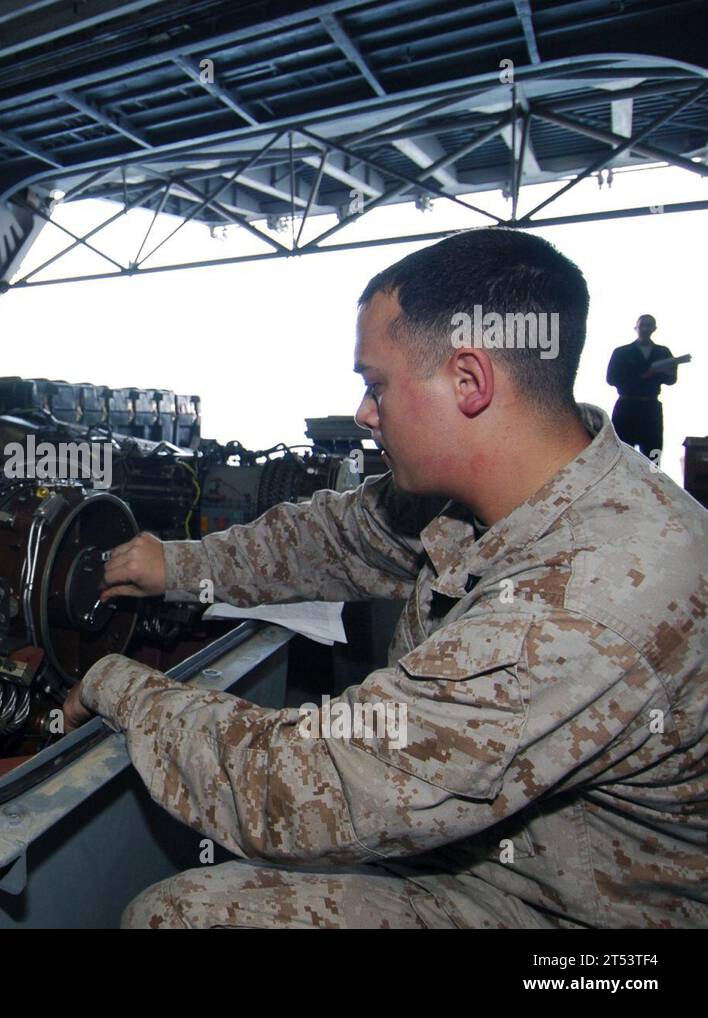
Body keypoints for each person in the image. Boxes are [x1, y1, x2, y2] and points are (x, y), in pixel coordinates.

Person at [64, 228, 708, 929]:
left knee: (179, 918)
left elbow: (300, 791)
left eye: (376, 386)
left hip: (573, 922)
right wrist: (180, 566)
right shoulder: (510, 483)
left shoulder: (588, 601)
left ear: (469, 381)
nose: (365, 415)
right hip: (490, 855)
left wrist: (115, 685)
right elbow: (337, 536)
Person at [606, 314, 678, 458]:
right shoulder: (622, 352)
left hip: (650, 407)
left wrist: (669, 370)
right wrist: (645, 375)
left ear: (654, 329)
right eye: (642, 325)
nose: (645, 329)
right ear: (636, 328)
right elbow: (611, 379)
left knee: (653, 455)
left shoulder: (662, 352)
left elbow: (671, 380)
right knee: (621, 455)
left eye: (649, 325)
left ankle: (652, 480)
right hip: (627, 406)